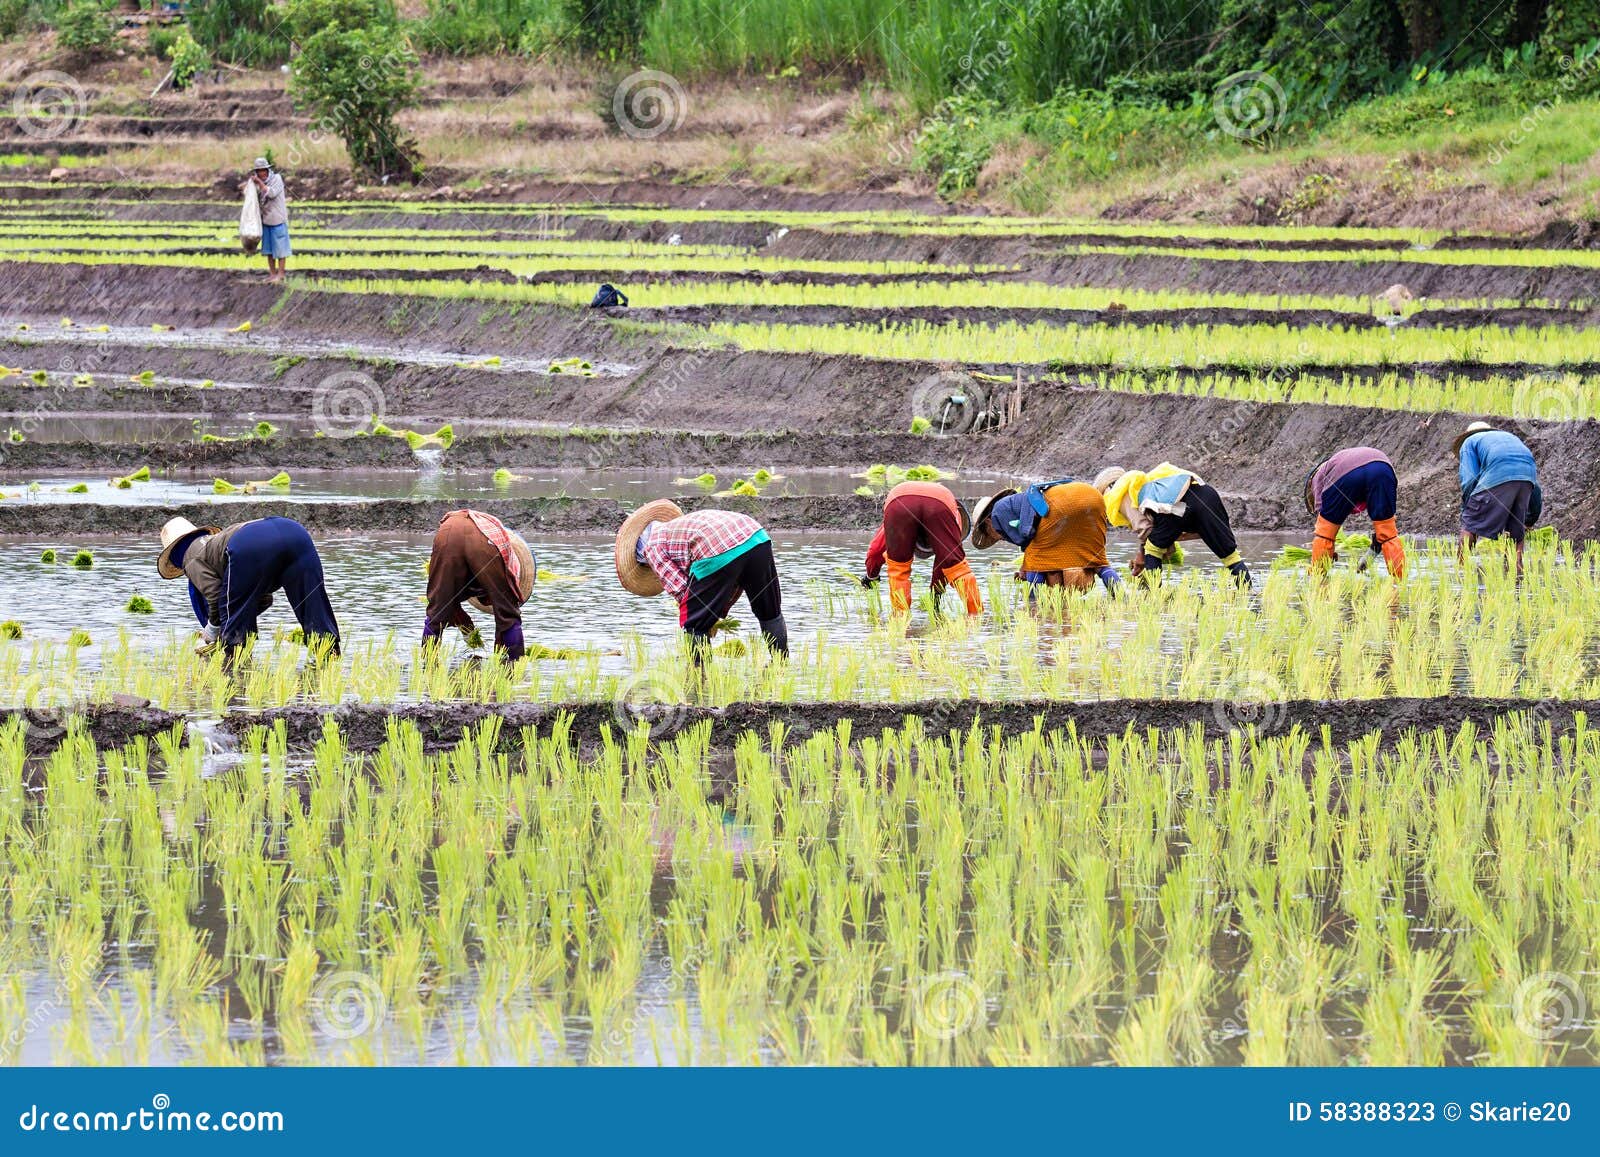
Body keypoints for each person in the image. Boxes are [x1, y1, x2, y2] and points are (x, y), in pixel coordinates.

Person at [615, 501, 788, 658]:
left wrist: (703, 618)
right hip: (757, 537)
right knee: (769, 610)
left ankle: (700, 678)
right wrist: (716, 612)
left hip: (717, 548)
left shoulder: (651, 546)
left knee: (694, 624)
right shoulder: (681, 527)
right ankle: (781, 665)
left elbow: (681, 589)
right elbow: (733, 579)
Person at [157, 515, 339, 652]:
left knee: (233, 636)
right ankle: (330, 660)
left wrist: (213, 629)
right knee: (313, 607)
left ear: (174, 554)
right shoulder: (212, 545)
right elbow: (263, 599)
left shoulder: (190, 557)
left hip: (251, 542)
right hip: (294, 531)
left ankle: (235, 679)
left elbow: (216, 597)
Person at [1093, 463, 1252, 587]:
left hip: (1178, 506)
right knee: (1230, 557)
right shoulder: (1147, 482)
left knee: (1152, 549)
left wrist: (1143, 556)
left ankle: (1154, 597)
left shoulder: (1119, 494)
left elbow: (1145, 528)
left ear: (1106, 489)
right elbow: (1164, 527)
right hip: (1207, 495)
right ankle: (1250, 595)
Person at [969, 478, 1119, 594]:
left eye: (990, 534)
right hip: (1092, 496)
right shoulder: (1013, 504)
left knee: (1035, 561)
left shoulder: (997, 513)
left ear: (988, 523)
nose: (999, 538)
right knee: (1098, 561)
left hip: (1062, 505)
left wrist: (1027, 568)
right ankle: (1122, 597)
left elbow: (1026, 536)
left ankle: (1035, 606)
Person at [422, 509, 536, 660]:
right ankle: (514, 665)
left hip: (448, 532)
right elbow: (505, 611)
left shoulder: (460, 582)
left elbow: (447, 604)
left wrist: (466, 628)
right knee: (508, 614)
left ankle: (426, 666)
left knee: (437, 610)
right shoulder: (499, 562)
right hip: (484, 540)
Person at [860, 480, 981, 615]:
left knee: (898, 568)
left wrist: (872, 576)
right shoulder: (954, 518)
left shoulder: (954, 516)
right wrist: (935, 596)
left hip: (900, 500)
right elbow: (946, 562)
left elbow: (876, 550)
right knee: (956, 566)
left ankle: (900, 620)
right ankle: (976, 616)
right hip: (939, 503)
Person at [1303, 447, 1405, 577]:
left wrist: (1328, 552)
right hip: (1384, 469)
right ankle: (1400, 583)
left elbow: (1324, 527)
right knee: (1388, 533)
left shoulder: (1318, 477)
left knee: (1325, 534)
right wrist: (1371, 555)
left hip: (1348, 475)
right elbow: (1382, 532)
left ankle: (1317, 581)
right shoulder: (1336, 462)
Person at [1455, 420, 1542, 573]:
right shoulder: (1510, 439)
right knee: (1517, 529)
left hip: (1498, 472)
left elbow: (1469, 478)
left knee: (1470, 524)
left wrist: (1469, 508)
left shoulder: (1469, 442)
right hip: (1527, 477)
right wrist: (1529, 520)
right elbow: (1535, 488)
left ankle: (1461, 570)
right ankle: (1516, 572)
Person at [250, 157, 290, 283]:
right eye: (259, 171)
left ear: (267, 169)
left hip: (278, 219)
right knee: (268, 249)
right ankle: (272, 274)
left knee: (280, 248)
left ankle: (281, 274)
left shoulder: (276, 179)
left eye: (263, 170)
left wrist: (259, 183)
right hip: (266, 220)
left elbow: (271, 193)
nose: (261, 173)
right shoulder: (258, 184)